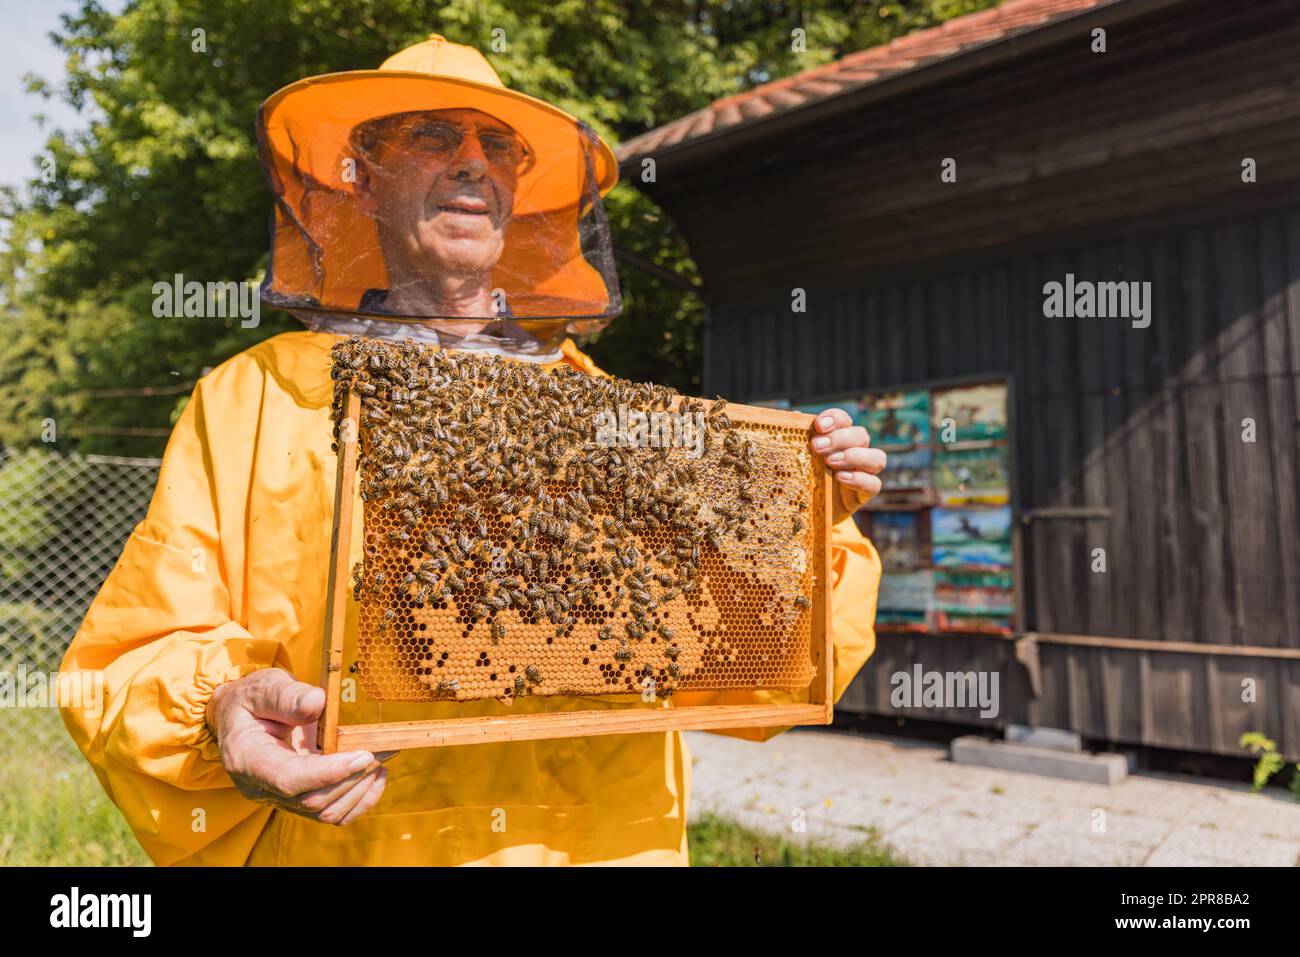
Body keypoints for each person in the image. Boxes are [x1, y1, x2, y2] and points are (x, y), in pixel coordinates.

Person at [60, 34, 885, 866]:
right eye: (430, 135)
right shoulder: (259, 397)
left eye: (497, 147)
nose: (471, 163)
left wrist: (806, 531)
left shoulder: (614, 415)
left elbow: (754, 687)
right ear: (363, 175)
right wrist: (223, 709)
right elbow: (132, 658)